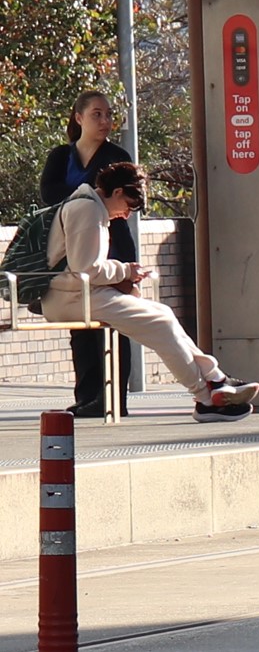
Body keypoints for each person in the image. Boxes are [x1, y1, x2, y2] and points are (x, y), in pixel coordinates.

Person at [40, 163, 259, 423]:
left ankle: (216, 380)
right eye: (130, 205)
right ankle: (205, 397)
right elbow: (86, 269)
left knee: (163, 313)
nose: (127, 214)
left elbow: (84, 268)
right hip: (71, 298)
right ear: (118, 191)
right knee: (159, 322)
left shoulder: (89, 206)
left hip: (76, 294)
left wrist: (123, 272)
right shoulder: (87, 209)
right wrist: (126, 271)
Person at [38, 91, 136, 418]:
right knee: (80, 325)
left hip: (113, 246)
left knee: (112, 321)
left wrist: (82, 201)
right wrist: (89, 198)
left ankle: (113, 398)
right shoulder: (60, 157)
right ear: (78, 118)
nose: (105, 121)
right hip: (71, 250)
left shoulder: (117, 155)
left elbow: (123, 197)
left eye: (109, 115)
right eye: (97, 114)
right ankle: (87, 396)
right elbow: (48, 195)